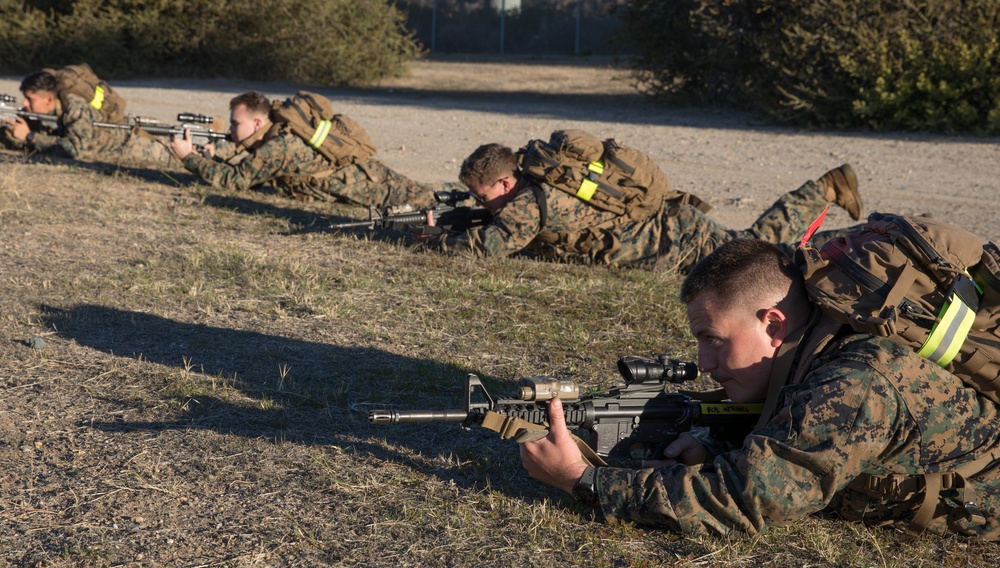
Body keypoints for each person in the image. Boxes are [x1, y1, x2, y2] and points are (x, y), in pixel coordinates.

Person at [519, 237, 1000, 539]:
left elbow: (746, 501)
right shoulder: (820, 346)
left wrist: (582, 480)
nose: (704, 363)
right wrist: (717, 442)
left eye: (713, 339)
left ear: (774, 323)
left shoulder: (855, 382)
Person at [421, 142, 862, 272]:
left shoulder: (528, 203)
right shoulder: (536, 182)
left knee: (761, 258)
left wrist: (438, 239)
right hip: (669, 227)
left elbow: (486, 249)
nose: (485, 204)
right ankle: (826, 197)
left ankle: (843, 238)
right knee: (756, 250)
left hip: (673, 240)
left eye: (484, 196)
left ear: (505, 180)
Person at [169, 91, 438, 209]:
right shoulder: (275, 138)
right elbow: (250, 175)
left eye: (235, 124)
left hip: (372, 186)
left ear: (258, 123)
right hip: (365, 179)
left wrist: (188, 157)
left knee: (434, 199)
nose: (230, 130)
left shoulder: (278, 146)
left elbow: (235, 181)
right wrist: (212, 158)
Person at [1, 69, 175, 164]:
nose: (24, 104)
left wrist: (30, 137)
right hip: (122, 147)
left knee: (180, 153)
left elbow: (76, 150)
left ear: (48, 99)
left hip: (137, 149)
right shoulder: (59, 106)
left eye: (30, 100)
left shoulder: (75, 106)